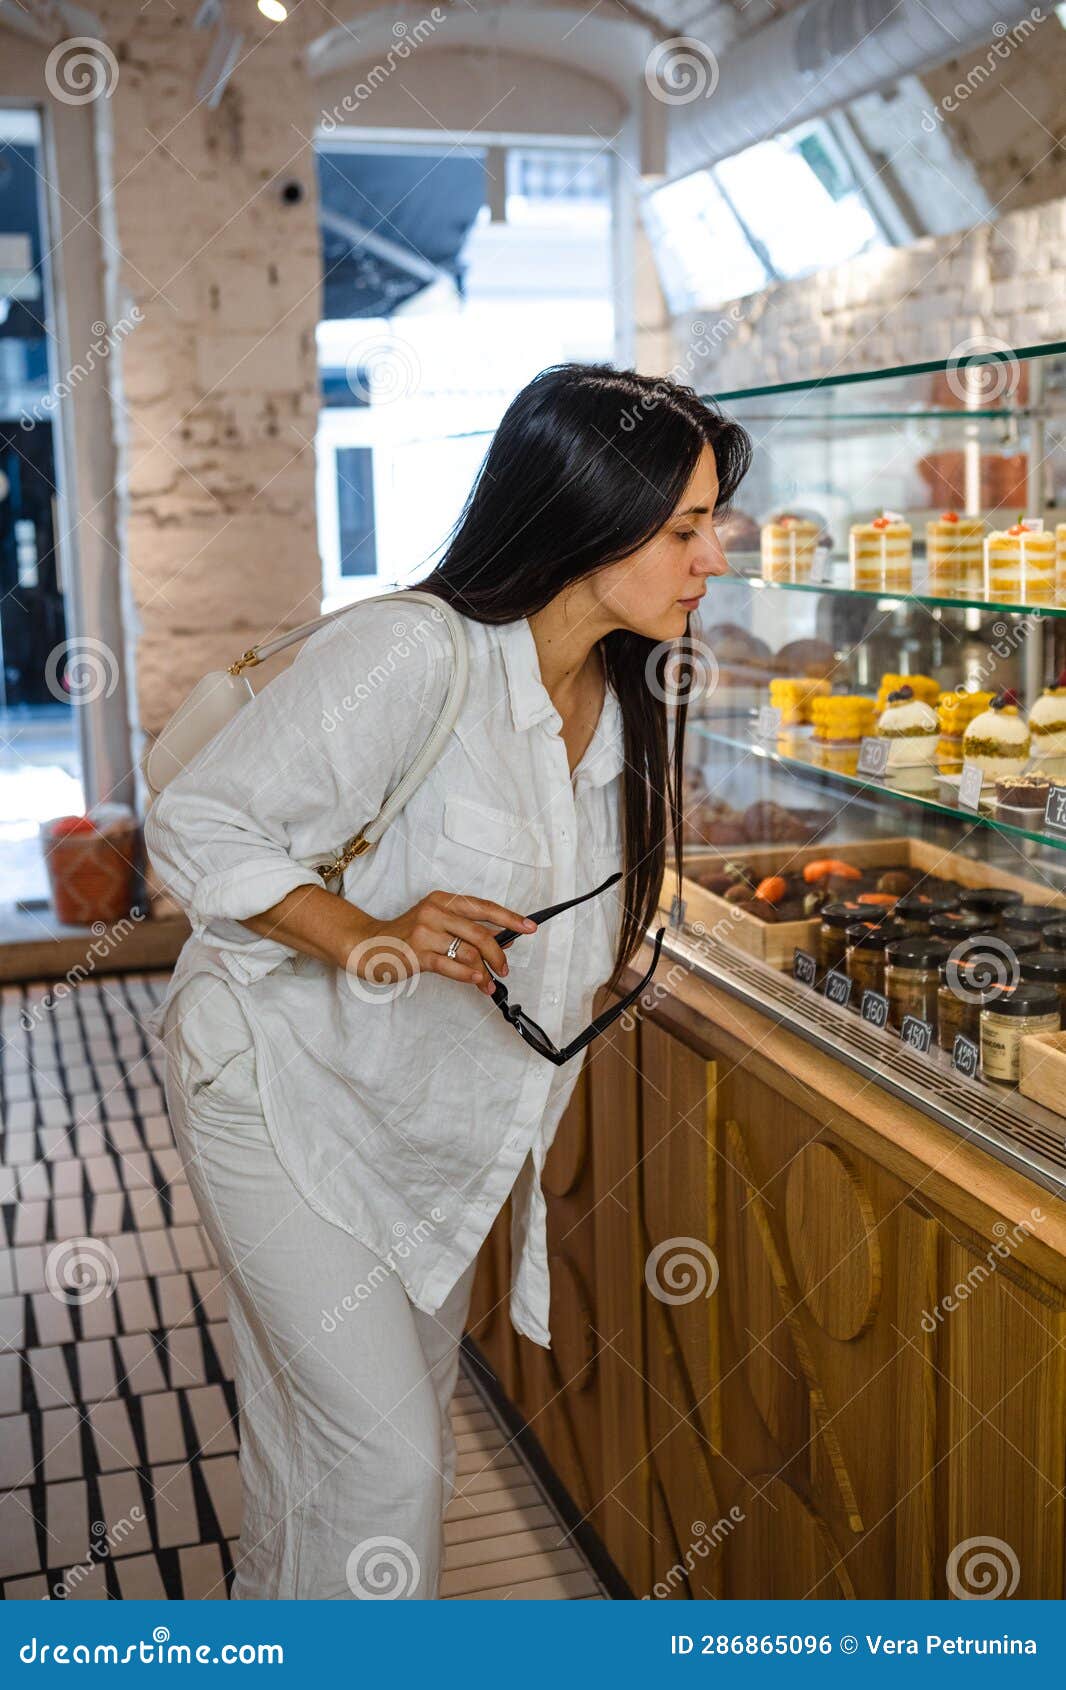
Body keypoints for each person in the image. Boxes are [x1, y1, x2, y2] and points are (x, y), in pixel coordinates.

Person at [144, 361, 751, 1600]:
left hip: (412, 1121)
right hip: (277, 1089)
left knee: (325, 1463)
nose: (715, 558)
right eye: (688, 527)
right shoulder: (414, 653)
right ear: (590, 515)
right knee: (387, 1474)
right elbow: (201, 825)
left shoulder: (618, 692)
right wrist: (373, 934)